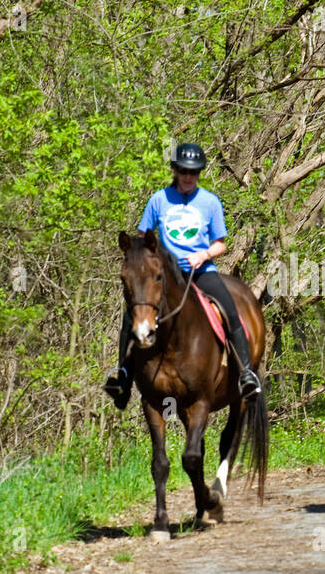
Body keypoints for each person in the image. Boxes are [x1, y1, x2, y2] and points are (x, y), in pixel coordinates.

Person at [105, 142, 263, 408]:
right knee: (133, 315)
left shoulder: (209, 202)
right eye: (183, 171)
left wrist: (203, 255)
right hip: (165, 277)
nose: (189, 177)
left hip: (201, 272)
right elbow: (141, 240)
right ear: (175, 171)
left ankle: (246, 373)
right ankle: (122, 374)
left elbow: (221, 243)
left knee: (231, 311)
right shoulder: (158, 200)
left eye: (194, 172)